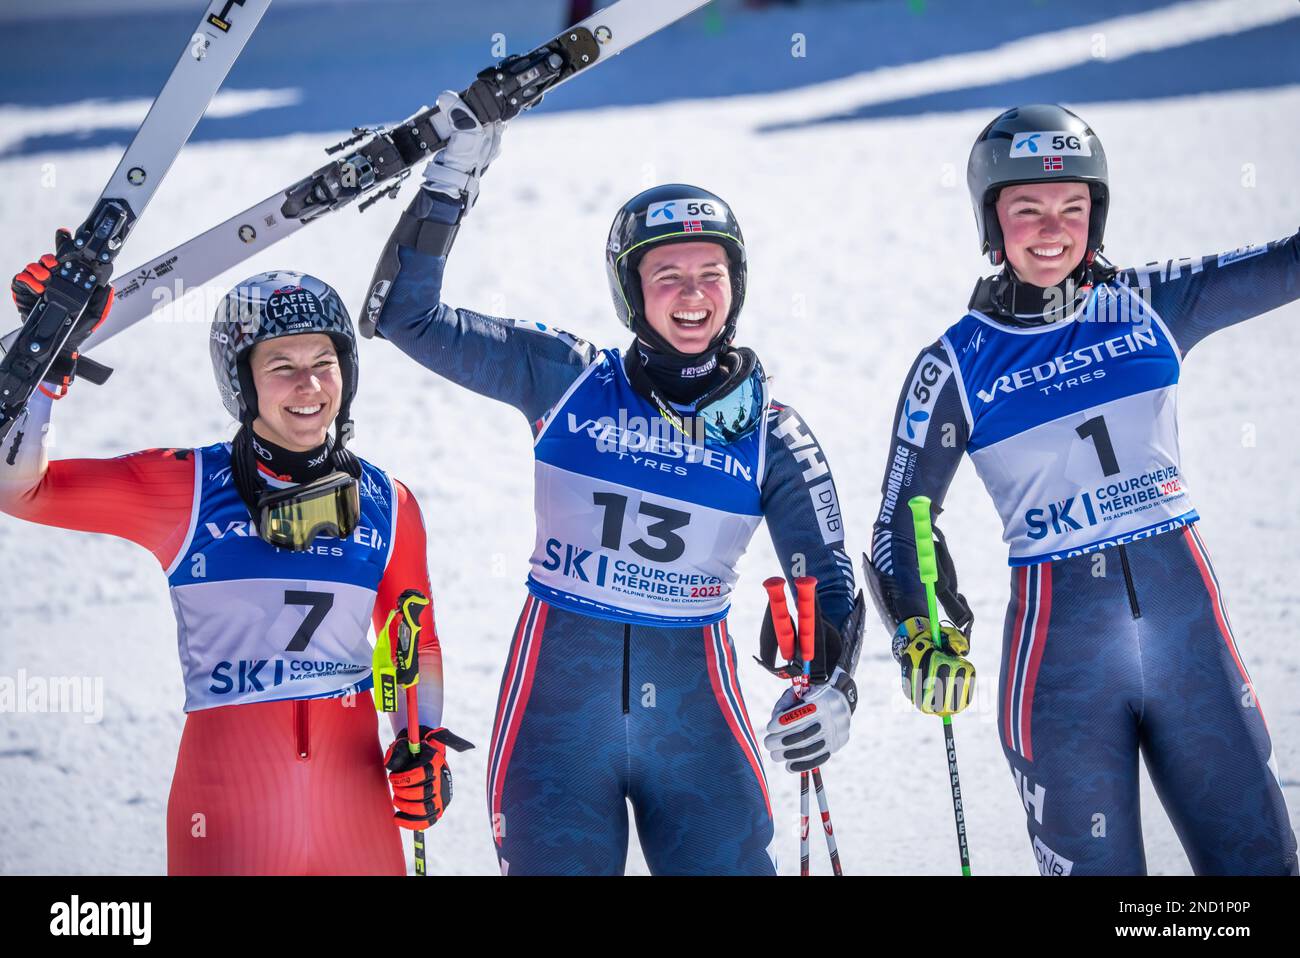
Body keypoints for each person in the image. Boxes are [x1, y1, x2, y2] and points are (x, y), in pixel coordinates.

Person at [361, 91, 865, 875]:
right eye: (667, 275)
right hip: (558, 725)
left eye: (711, 273)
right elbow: (405, 317)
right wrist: (451, 179)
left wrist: (835, 688)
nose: (693, 295)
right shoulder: (568, 380)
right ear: (630, 290)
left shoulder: (774, 433)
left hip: (695, 726)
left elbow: (827, 581)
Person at [865, 103, 1299, 876]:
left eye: (1073, 207)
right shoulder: (956, 366)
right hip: (1062, 665)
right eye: (1026, 209)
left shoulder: (1155, 302)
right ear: (990, 222)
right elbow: (902, 522)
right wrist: (922, 630)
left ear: (1096, 215)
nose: (1052, 228)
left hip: (1190, 641)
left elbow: (1288, 263)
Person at [1, 246, 468, 874]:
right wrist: (42, 363)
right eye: (281, 366)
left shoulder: (387, 500)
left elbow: (413, 640)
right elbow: (18, 488)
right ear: (240, 381)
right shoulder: (185, 488)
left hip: (354, 806)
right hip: (228, 807)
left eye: (324, 363)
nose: (309, 386)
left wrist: (424, 745)